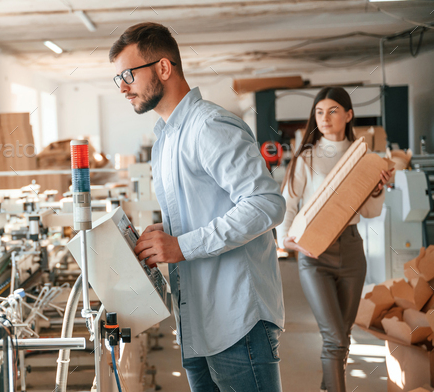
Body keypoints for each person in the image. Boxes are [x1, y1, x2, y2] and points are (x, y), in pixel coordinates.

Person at [109, 22, 286, 392]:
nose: (123, 87)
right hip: (196, 321)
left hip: (237, 320)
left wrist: (181, 246)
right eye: (118, 79)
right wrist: (165, 235)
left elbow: (266, 203)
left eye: (128, 74)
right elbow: (200, 213)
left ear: (163, 68)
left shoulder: (210, 125)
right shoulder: (164, 140)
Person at [276, 87, 394, 392]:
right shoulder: (307, 158)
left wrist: (379, 188)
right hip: (315, 255)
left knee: (343, 335)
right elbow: (288, 204)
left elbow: (368, 212)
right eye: (319, 112)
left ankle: (329, 387)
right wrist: (288, 243)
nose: (324, 118)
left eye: (332, 111)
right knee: (335, 338)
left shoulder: (364, 158)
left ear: (349, 115)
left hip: (353, 251)